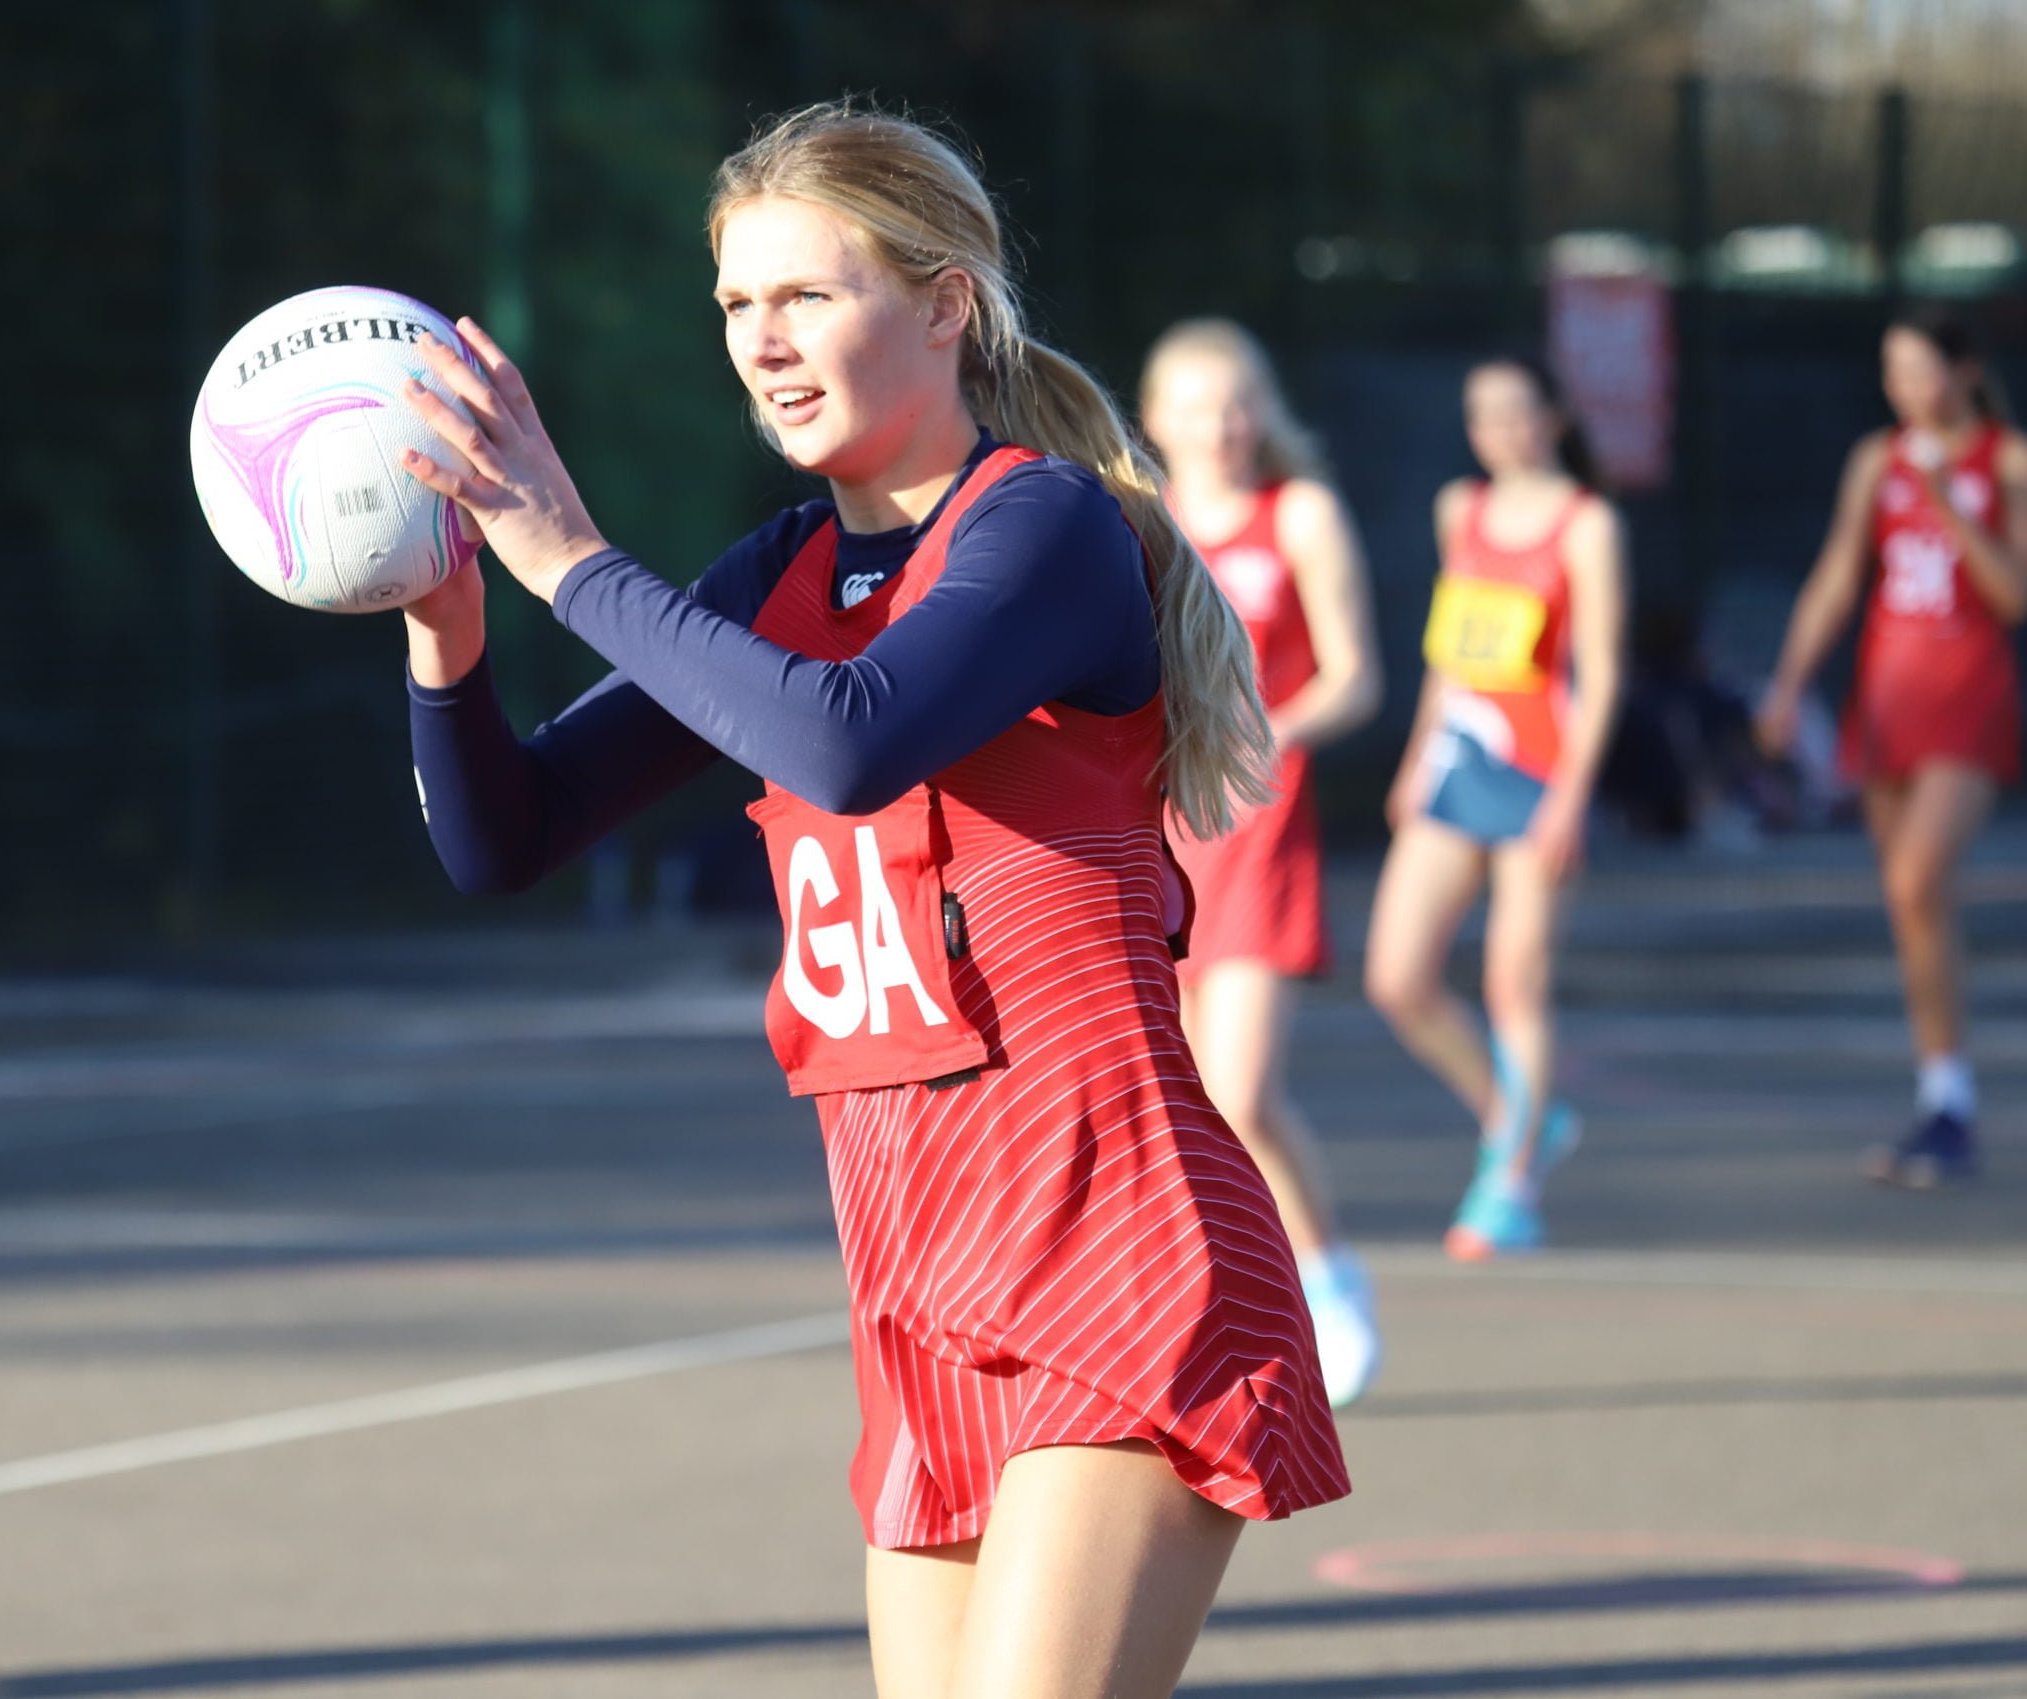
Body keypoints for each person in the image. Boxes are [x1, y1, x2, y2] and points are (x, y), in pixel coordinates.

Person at [395, 102, 1348, 1698]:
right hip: (916, 1273)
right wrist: (450, 635)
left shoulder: (1040, 526)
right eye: (733, 307)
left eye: (805, 297)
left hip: (1111, 1244)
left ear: (944, 301)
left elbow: (848, 741)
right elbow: (509, 837)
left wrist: (569, 558)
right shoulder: (773, 569)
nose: (759, 343)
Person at [1139, 320, 1383, 1404]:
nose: (1220, 427)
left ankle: (1330, 1281)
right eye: (1195, 406)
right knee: (1175, 1097)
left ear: (1263, 411)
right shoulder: (1136, 524)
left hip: (1258, 829)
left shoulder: (1304, 517)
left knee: (1239, 1088)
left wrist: (1267, 733)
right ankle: (1211, 1310)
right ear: (1155, 420)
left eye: (1236, 403)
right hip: (1157, 831)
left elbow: (1355, 677)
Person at [1756, 310, 2027, 1187]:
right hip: (1888, 699)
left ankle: (1950, 1099)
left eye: (1922, 369)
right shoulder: (1874, 460)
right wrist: (1786, 682)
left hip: (1969, 700)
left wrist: (1953, 501)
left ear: (1963, 371)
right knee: (1917, 906)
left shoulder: (2012, 459)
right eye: (1893, 371)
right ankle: (1943, 1096)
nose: (1907, 389)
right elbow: (1839, 578)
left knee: (1917, 879)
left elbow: (2017, 592)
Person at [1363, 359, 1627, 1260]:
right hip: (1458, 762)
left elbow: (1599, 673)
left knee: (1517, 981)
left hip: (1540, 772)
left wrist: (1572, 800)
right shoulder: (1459, 510)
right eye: (1484, 416)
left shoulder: (1587, 525)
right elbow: (1451, 645)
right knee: (1398, 975)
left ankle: (1510, 1182)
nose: (1503, 430)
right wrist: (1414, 758)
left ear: (1552, 415)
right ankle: (1520, 1117)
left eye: (1519, 412)